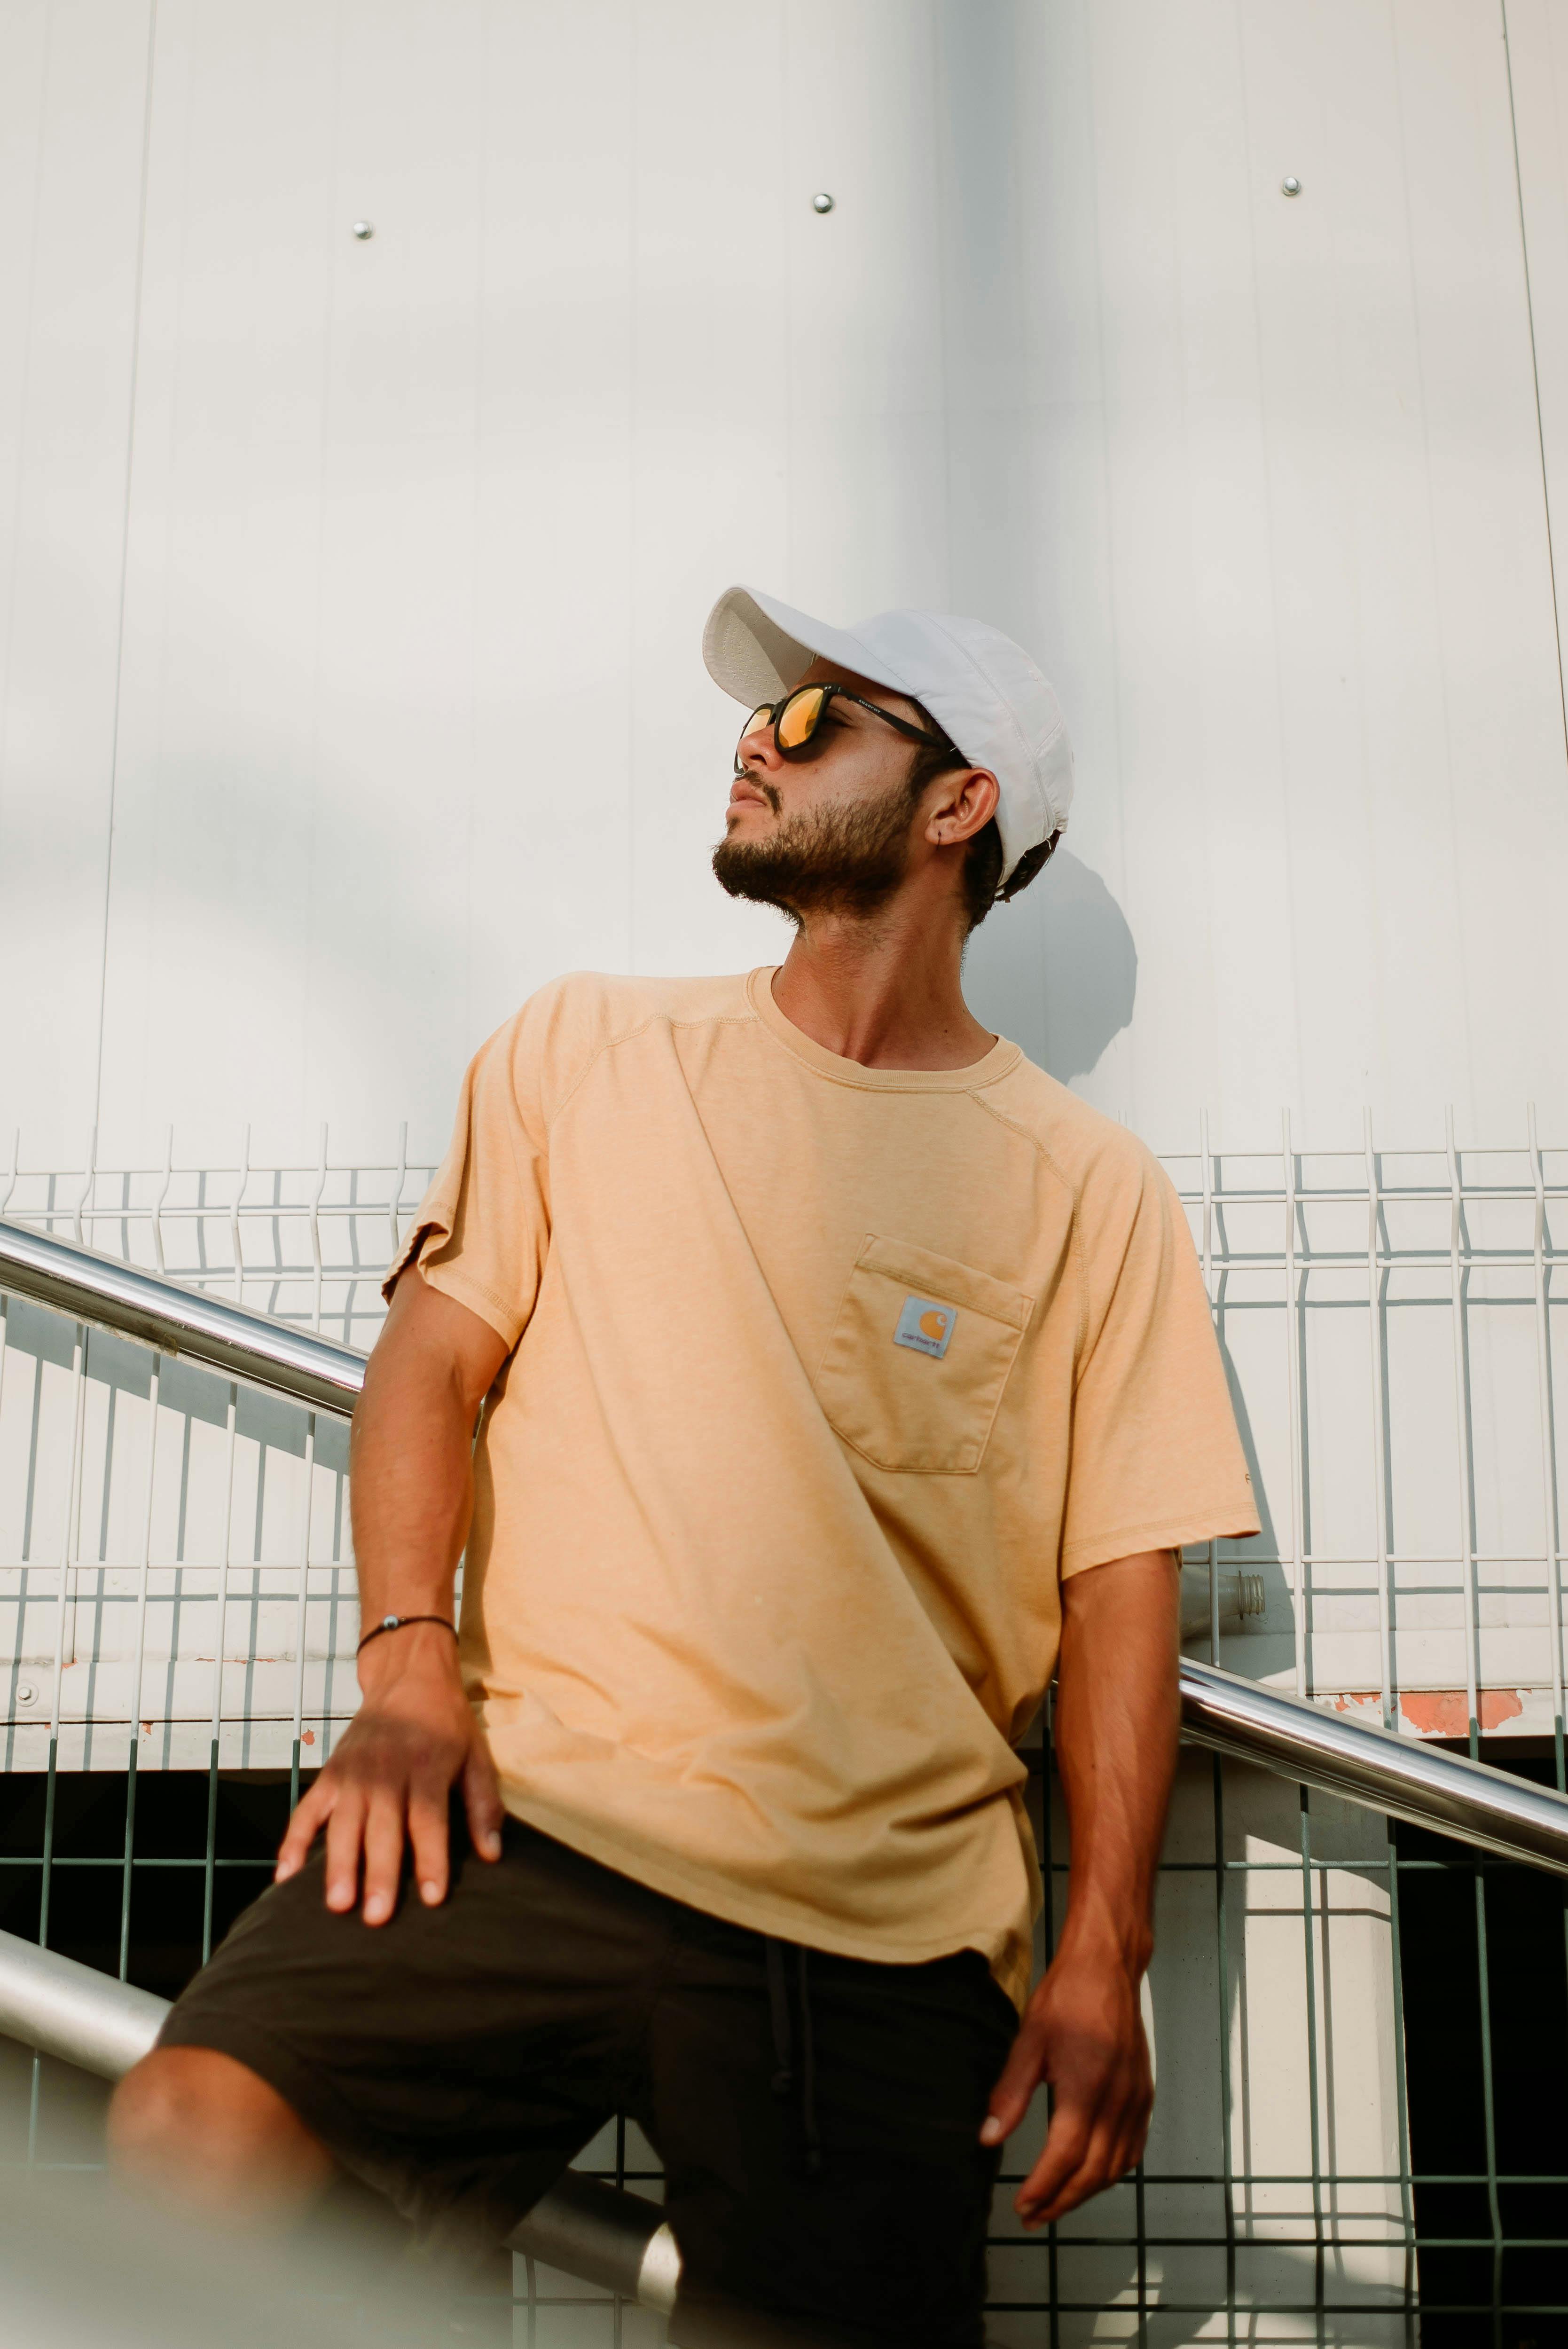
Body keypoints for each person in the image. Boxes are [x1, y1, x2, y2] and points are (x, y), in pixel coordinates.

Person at [108, 586, 1259, 2346]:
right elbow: (433, 1356)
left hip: (878, 1924)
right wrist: (406, 1669)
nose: (754, 743)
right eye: (759, 716)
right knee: (199, 2130)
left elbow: (1121, 1585)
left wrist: (1107, 1946)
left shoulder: (1091, 1192)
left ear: (959, 806)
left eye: (814, 720)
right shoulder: (585, 1046)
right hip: (526, 1815)